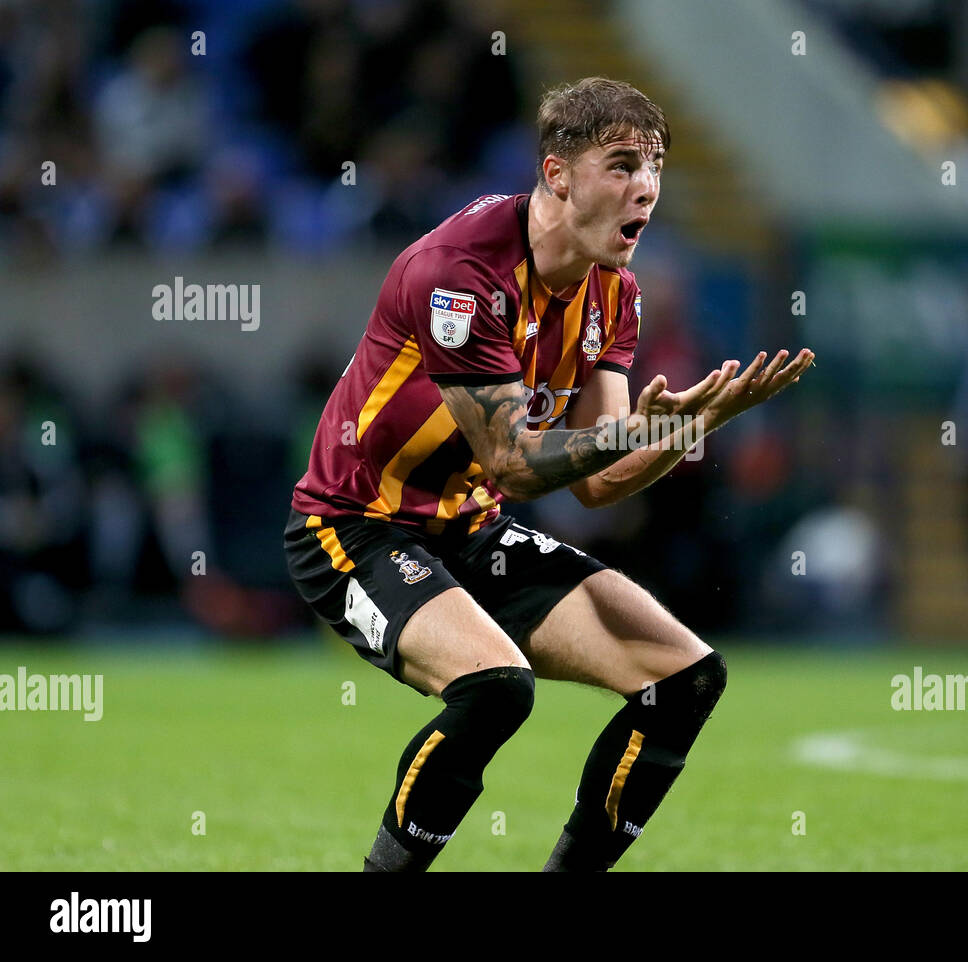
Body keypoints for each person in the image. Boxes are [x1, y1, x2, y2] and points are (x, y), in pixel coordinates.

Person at [284, 77, 814, 871]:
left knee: (686, 679)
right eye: (623, 165)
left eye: (656, 167)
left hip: (470, 529)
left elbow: (601, 476)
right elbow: (516, 462)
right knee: (496, 686)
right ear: (558, 174)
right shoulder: (456, 276)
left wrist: (693, 424)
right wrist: (646, 427)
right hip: (353, 528)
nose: (646, 189)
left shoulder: (614, 295)